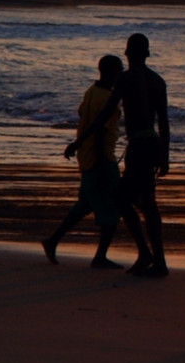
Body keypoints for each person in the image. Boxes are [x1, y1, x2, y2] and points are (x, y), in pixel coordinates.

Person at [43, 55, 150, 268]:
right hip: (101, 159)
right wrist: (102, 166)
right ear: (112, 72)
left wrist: (78, 145)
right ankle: (101, 256)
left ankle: (53, 240)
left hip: (86, 157)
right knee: (113, 207)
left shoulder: (91, 91)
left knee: (85, 204)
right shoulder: (106, 98)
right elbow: (100, 132)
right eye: (119, 70)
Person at [111, 33, 171, 276]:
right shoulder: (158, 81)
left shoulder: (125, 78)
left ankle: (153, 258)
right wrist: (165, 155)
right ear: (146, 53)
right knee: (143, 201)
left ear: (127, 53)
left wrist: (80, 140)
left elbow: (107, 110)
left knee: (127, 200)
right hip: (153, 144)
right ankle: (153, 258)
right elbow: (164, 123)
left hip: (138, 146)